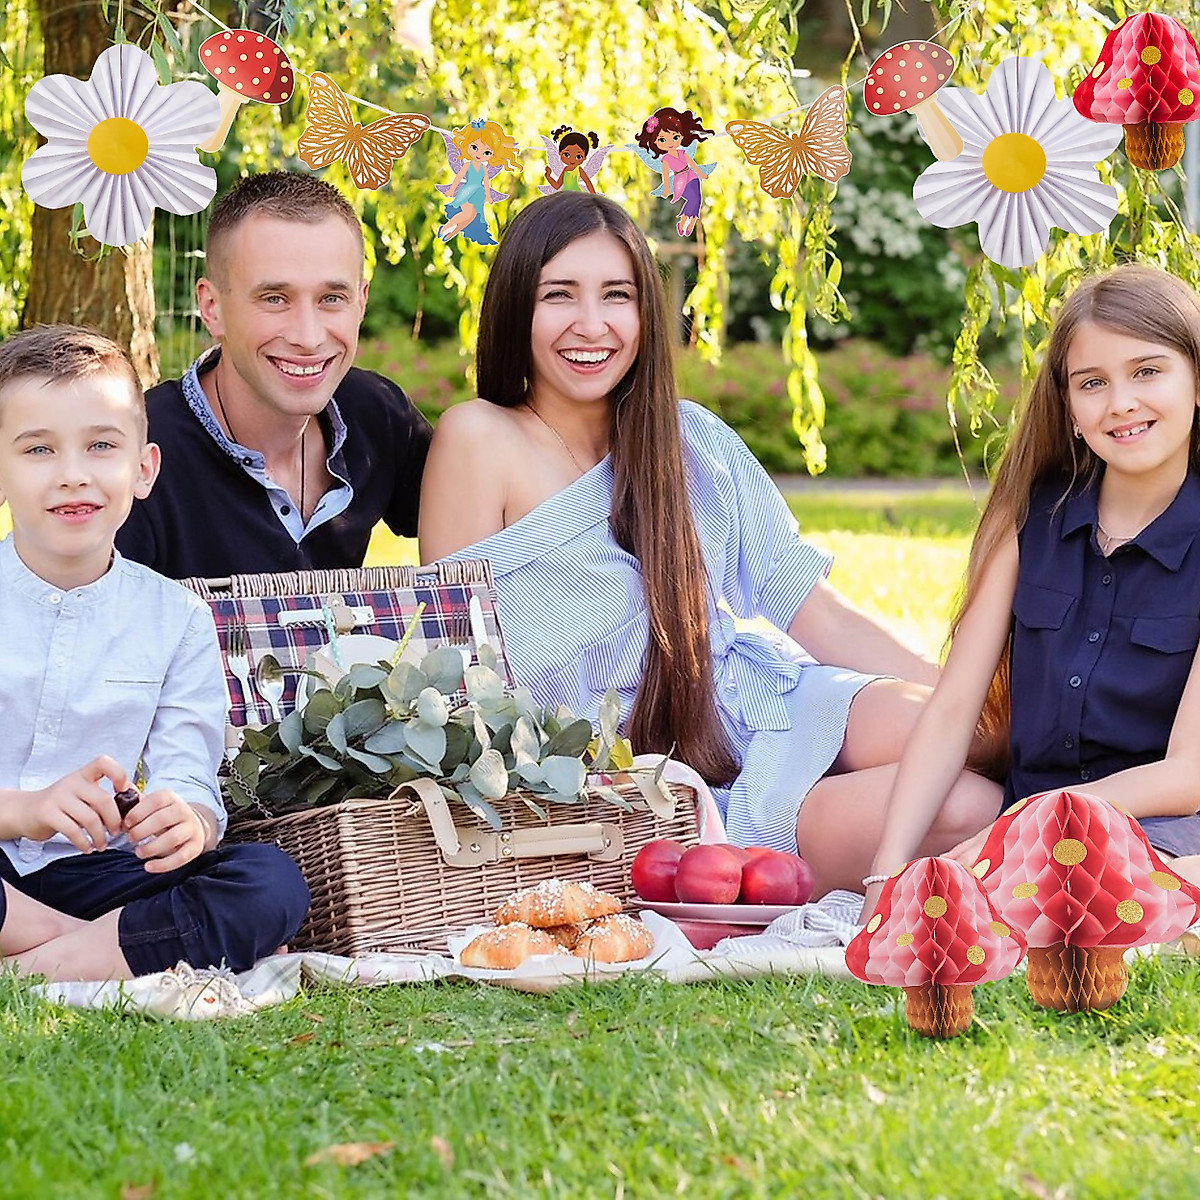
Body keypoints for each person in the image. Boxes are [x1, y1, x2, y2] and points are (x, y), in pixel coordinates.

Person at [419, 192, 1000, 896]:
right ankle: (781, 851)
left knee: (985, 731)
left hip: (763, 698)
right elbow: (457, 672)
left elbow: (818, 613)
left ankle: (1138, 805)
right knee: (967, 805)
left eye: (617, 296)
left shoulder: (689, 436)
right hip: (655, 782)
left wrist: (964, 695)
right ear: (517, 305)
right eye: (559, 295)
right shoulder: (480, 437)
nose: (592, 325)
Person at [861, 264, 1200, 920]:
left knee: (1093, 889)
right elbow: (954, 709)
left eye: (1147, 371)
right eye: (1092, 383)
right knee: (869, 850)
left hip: (1155, 829)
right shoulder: (1028, 519)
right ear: (1069, 409)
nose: (1121, 402)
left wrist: (1021, 832)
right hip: (1019, 822)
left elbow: (1187, 774)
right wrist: (887, 871)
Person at [0, 326, 309, 981]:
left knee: (270, 883)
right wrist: (24, 810)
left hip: (102, 871)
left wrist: (186, 822)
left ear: (143, 470)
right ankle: (89, 950)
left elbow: (189, 781)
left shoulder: (177, 620)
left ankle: (32, 967)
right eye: (38, 450)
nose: (73, 474)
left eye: (101, 446)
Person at [115, 171, 432, 580]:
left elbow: (496, 525)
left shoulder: (377, 414)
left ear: (361, 302)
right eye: (274, 299)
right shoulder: (134, 452)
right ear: (212, 307)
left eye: (331, 298)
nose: (308, 336)